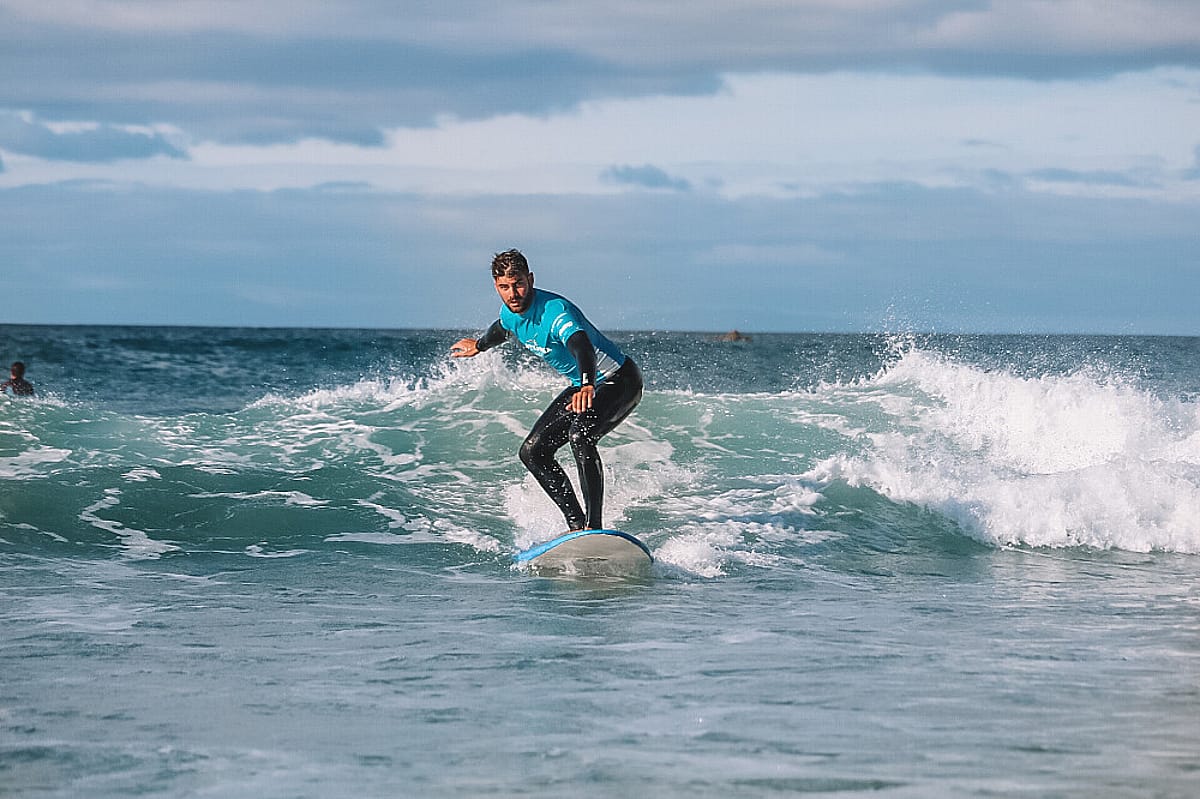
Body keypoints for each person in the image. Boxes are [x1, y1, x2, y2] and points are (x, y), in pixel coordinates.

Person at [451, 249, 643, 532]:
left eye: (518, 283)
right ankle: (576, 527)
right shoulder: (510, 312)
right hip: (583, 384)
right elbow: (502, 329)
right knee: (533, 452)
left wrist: (588, 383)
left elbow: (581, 345)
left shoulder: (554, 312)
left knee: (581, 435)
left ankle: (594, 527)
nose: (513, 293)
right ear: (496, 286)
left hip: (618, 380)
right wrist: (478, 346)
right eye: (504, 287)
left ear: (530, 279)